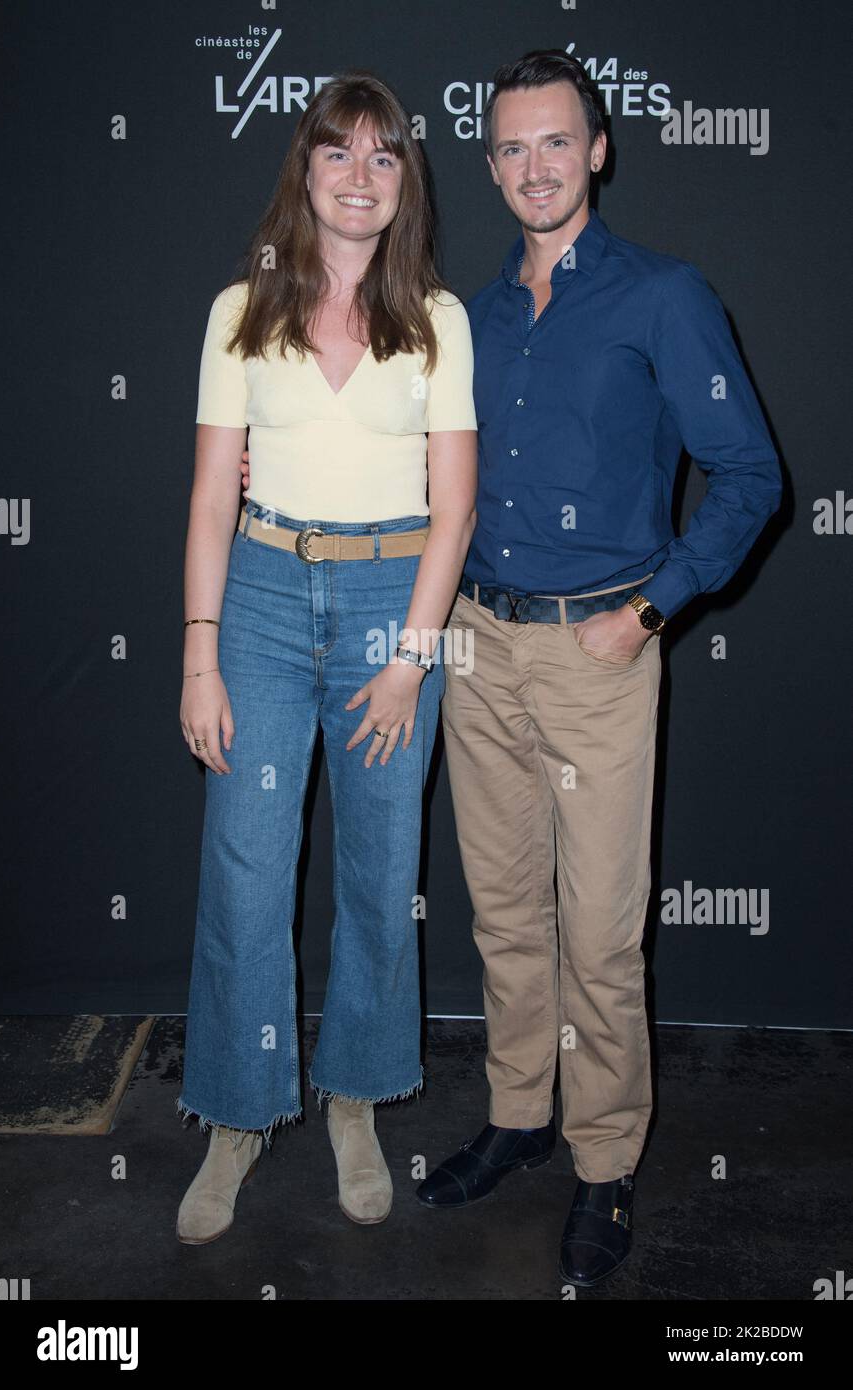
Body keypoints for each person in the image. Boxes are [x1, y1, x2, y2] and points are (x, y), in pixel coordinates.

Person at [412, 50, 783, 1288]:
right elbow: (428, 483)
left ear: (597, 149)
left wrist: (649, 609)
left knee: (600, 934)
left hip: (593, 653)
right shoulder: (469, 314)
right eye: (511, 147)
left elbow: (750, 476)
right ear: (490, 162)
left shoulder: (665, 297)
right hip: (479, 647)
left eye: (554, 142)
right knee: (504, 912)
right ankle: (521, 1114)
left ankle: (604, 1155)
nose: (533, 167)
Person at [175, 70, 477, 1244]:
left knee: (377, 863)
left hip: (388, 602)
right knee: (244, 870)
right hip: (253, 593)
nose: (359, 176)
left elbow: (453, 511)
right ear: (302, 171)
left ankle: (353, 1099)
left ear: (405, 183)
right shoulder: (235, 311)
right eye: (336, 153)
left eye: (383, 156)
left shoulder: (437, 322)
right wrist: (198, 652)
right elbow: (208, 498)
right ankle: (239, 1114)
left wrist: (410, 658)